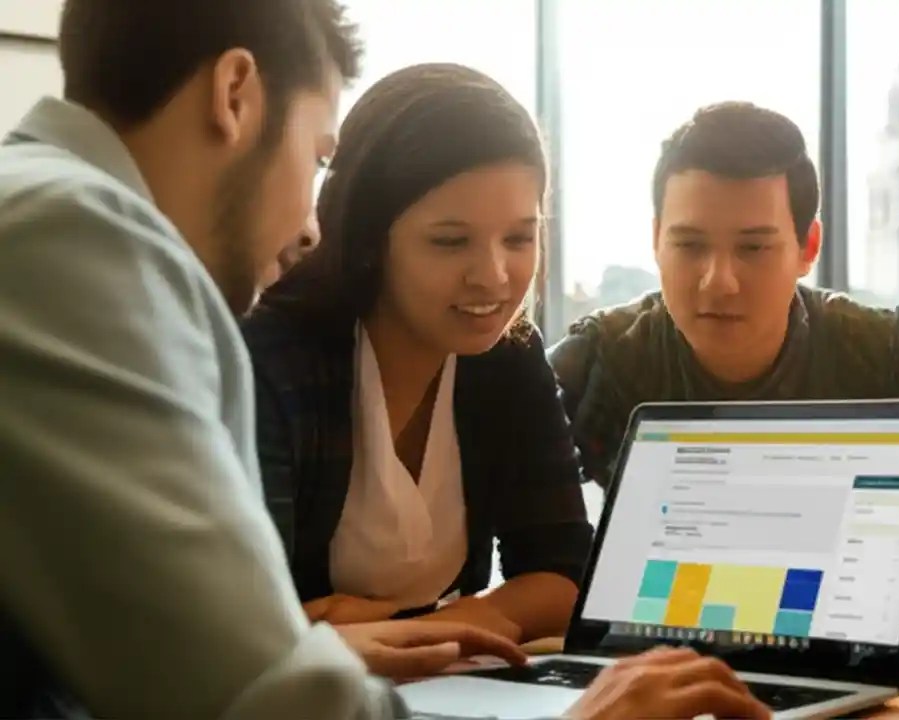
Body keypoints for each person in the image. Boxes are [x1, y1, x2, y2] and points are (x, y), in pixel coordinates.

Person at [0, 2, 769, 718]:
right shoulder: (74, 237)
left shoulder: (44, 212)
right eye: (316, 155)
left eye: (519, 236)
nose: (308, 225)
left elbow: (187, 659)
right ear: (234, 95)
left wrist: (332, 644)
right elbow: (252, 695)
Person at [549, 101, 899, 556]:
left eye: (753, 249)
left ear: (807, 247)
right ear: (656, 240)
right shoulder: (606, 358)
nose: (719, 282)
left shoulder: (874, 353)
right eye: (690, 245)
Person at [244, 63, 593, 643]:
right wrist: (469, 624)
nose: (493, 276)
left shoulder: (506, 358)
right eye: (450, 241)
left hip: (440, 678)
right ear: (367, 238)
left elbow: (565, 575)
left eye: (519, 237)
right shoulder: (274, 361)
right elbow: (246, 623)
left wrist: (424, 631)